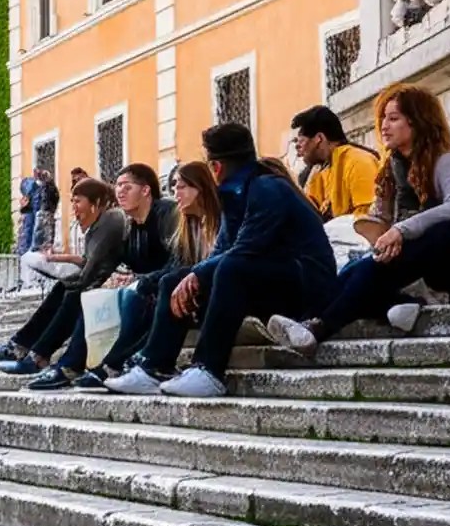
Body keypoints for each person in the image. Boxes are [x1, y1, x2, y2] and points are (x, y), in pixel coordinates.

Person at [267, 85, 450, 356]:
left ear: (418, 121)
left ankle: (318, 329)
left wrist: (401, 231)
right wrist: (375, 234)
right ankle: (310, 319)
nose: (384, 127)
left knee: (441, 232)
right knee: (356, 270)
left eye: (393, 119)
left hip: (448, 260)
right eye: (383, 119)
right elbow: (381, 217)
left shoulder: (448, 159)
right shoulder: (391, 170)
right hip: (408, 259)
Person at [140, 124, 337, 397]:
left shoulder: (267, 188)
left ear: (217, 167)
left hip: (308, 284)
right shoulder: (234, 194)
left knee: (230, 269)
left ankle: (209, 369)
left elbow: (246, 249)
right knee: (173, 280)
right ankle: (155, 365)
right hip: (268, 278)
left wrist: (198, 273)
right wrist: (194, 275)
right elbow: (222, 248)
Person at [23, 164, 177, 390]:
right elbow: (104, 265)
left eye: (127, 187)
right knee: (83, 294)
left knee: (126, 298)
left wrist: (142, 279)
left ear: (145, 190)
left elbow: (180, 260)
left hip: (162, 290)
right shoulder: (130, 225)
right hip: (144, 288)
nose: (120, 192)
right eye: (118, 187)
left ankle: (100, 366)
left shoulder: (167, 213)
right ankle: (60, 363)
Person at [88, 162, 222, 392]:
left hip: (215, 288)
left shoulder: (217, 219)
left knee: (158, 287)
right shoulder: (187, 225)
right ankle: (111, 364)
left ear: (199, 188)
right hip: (192, 289)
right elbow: (179, 262)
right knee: (96, 297)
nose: (175, 193)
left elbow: (199, 263)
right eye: (173, 187)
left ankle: (133, 365)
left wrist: (144, 280)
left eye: (180, 187)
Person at [0, 178, 127, 378]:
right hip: (110, 284)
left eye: (77, 201)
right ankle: (21, 347)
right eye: (72, 202)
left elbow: (93, 270)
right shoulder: (98, 225)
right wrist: (57, 260)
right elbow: (89, 262)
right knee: (66, 288)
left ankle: (36, 355)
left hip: (122, 286)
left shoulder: (111, 219)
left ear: (96, 203)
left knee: (73, 293)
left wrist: (72, 282)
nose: (74, 209)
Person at [291, 105, 380, 221]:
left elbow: (368, 218)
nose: (297, 147)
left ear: (319, 138)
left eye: (301, 140)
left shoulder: (359, 161)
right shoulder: (317, 174)